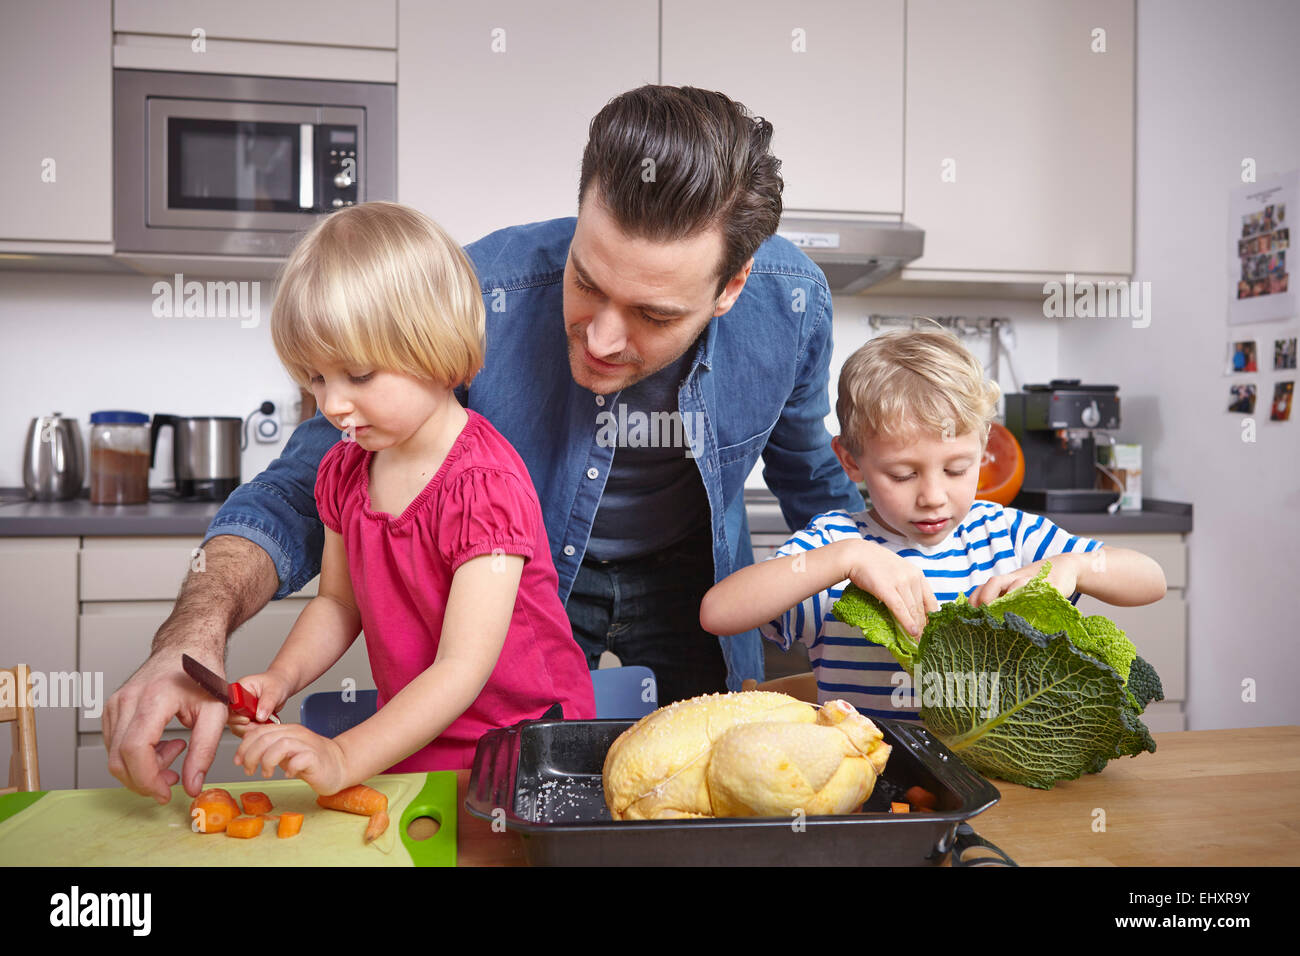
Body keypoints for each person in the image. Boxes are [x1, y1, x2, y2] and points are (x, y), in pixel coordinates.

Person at [105, 84, 862, 803]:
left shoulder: (791, 306)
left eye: (653, 315)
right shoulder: (477, 292)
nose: (600, 339)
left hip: (692, 579)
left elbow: (813, 482)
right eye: (587, 282)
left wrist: (894, 586)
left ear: (731, 288)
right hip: (532, 582)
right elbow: (298, 487)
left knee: (703, 797)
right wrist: (192, 637)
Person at [228, 202, 595, 792]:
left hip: (526, 752)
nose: (333, 405)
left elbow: (461, 667)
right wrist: (281, 676)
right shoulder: (345, 472)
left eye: (359, 375)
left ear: (436, 349)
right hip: (416, 737)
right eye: (317, 379)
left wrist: (344, 758)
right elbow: (338, 605)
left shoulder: (484, 488)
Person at [699, 324, 1168, 722]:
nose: (933, 497)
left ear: (984, 446)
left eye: (958, 469)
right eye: (902, 474)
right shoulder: (837, 545)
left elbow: (1152, 580)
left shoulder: (1006, 535)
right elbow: (719, 613)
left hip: (994, 783)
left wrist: (1075, 568)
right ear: (850, 461)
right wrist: (847, 558)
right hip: (874, 794)